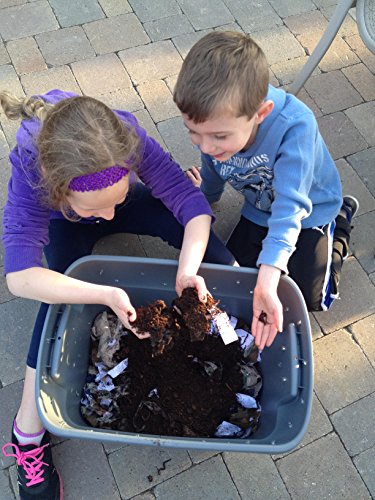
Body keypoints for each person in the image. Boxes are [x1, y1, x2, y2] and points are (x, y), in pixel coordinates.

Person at [0, 89, 235, 499]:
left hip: (102, 197)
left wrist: (188, 269)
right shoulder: (33, 167)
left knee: (195, 238)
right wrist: (104, 293)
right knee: (55, 293)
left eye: (116, 201)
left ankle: (233, 290)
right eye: (97, 210)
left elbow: (188, 202)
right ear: (58, 190)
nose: (108, 219)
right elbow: (20, 276)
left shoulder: (122, 136)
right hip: (65, 225)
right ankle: (28, 430)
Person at [173, 31, 359, 352]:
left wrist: (269, 278)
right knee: (235, 284)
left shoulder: (296, 126)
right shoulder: (214, 126)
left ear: (261, 114)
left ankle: (341, 219)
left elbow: (289, 210)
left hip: (310, 212)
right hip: (259, 209)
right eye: (193, 133)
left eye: (218, 137)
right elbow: (213, 173)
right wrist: (203, 199)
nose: (205, 146)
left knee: (307, 298)